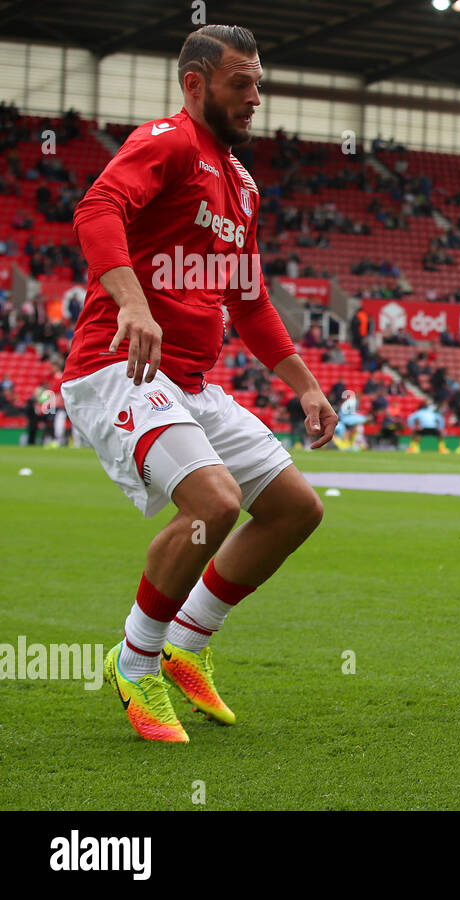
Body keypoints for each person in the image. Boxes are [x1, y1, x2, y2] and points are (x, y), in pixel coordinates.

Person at [59, 24, 336, 743]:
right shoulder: (167, 141)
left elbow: (248, 298)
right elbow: (96, 209)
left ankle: (188, 641)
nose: (254, 97)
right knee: (213, 502)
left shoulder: (241, 182)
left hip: (189, 380)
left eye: (258, 83)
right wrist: (133, 301)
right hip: (117, 367)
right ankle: (134, 661)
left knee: (295, 508)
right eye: (240, 83)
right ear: (195, 84)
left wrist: (305, 384)